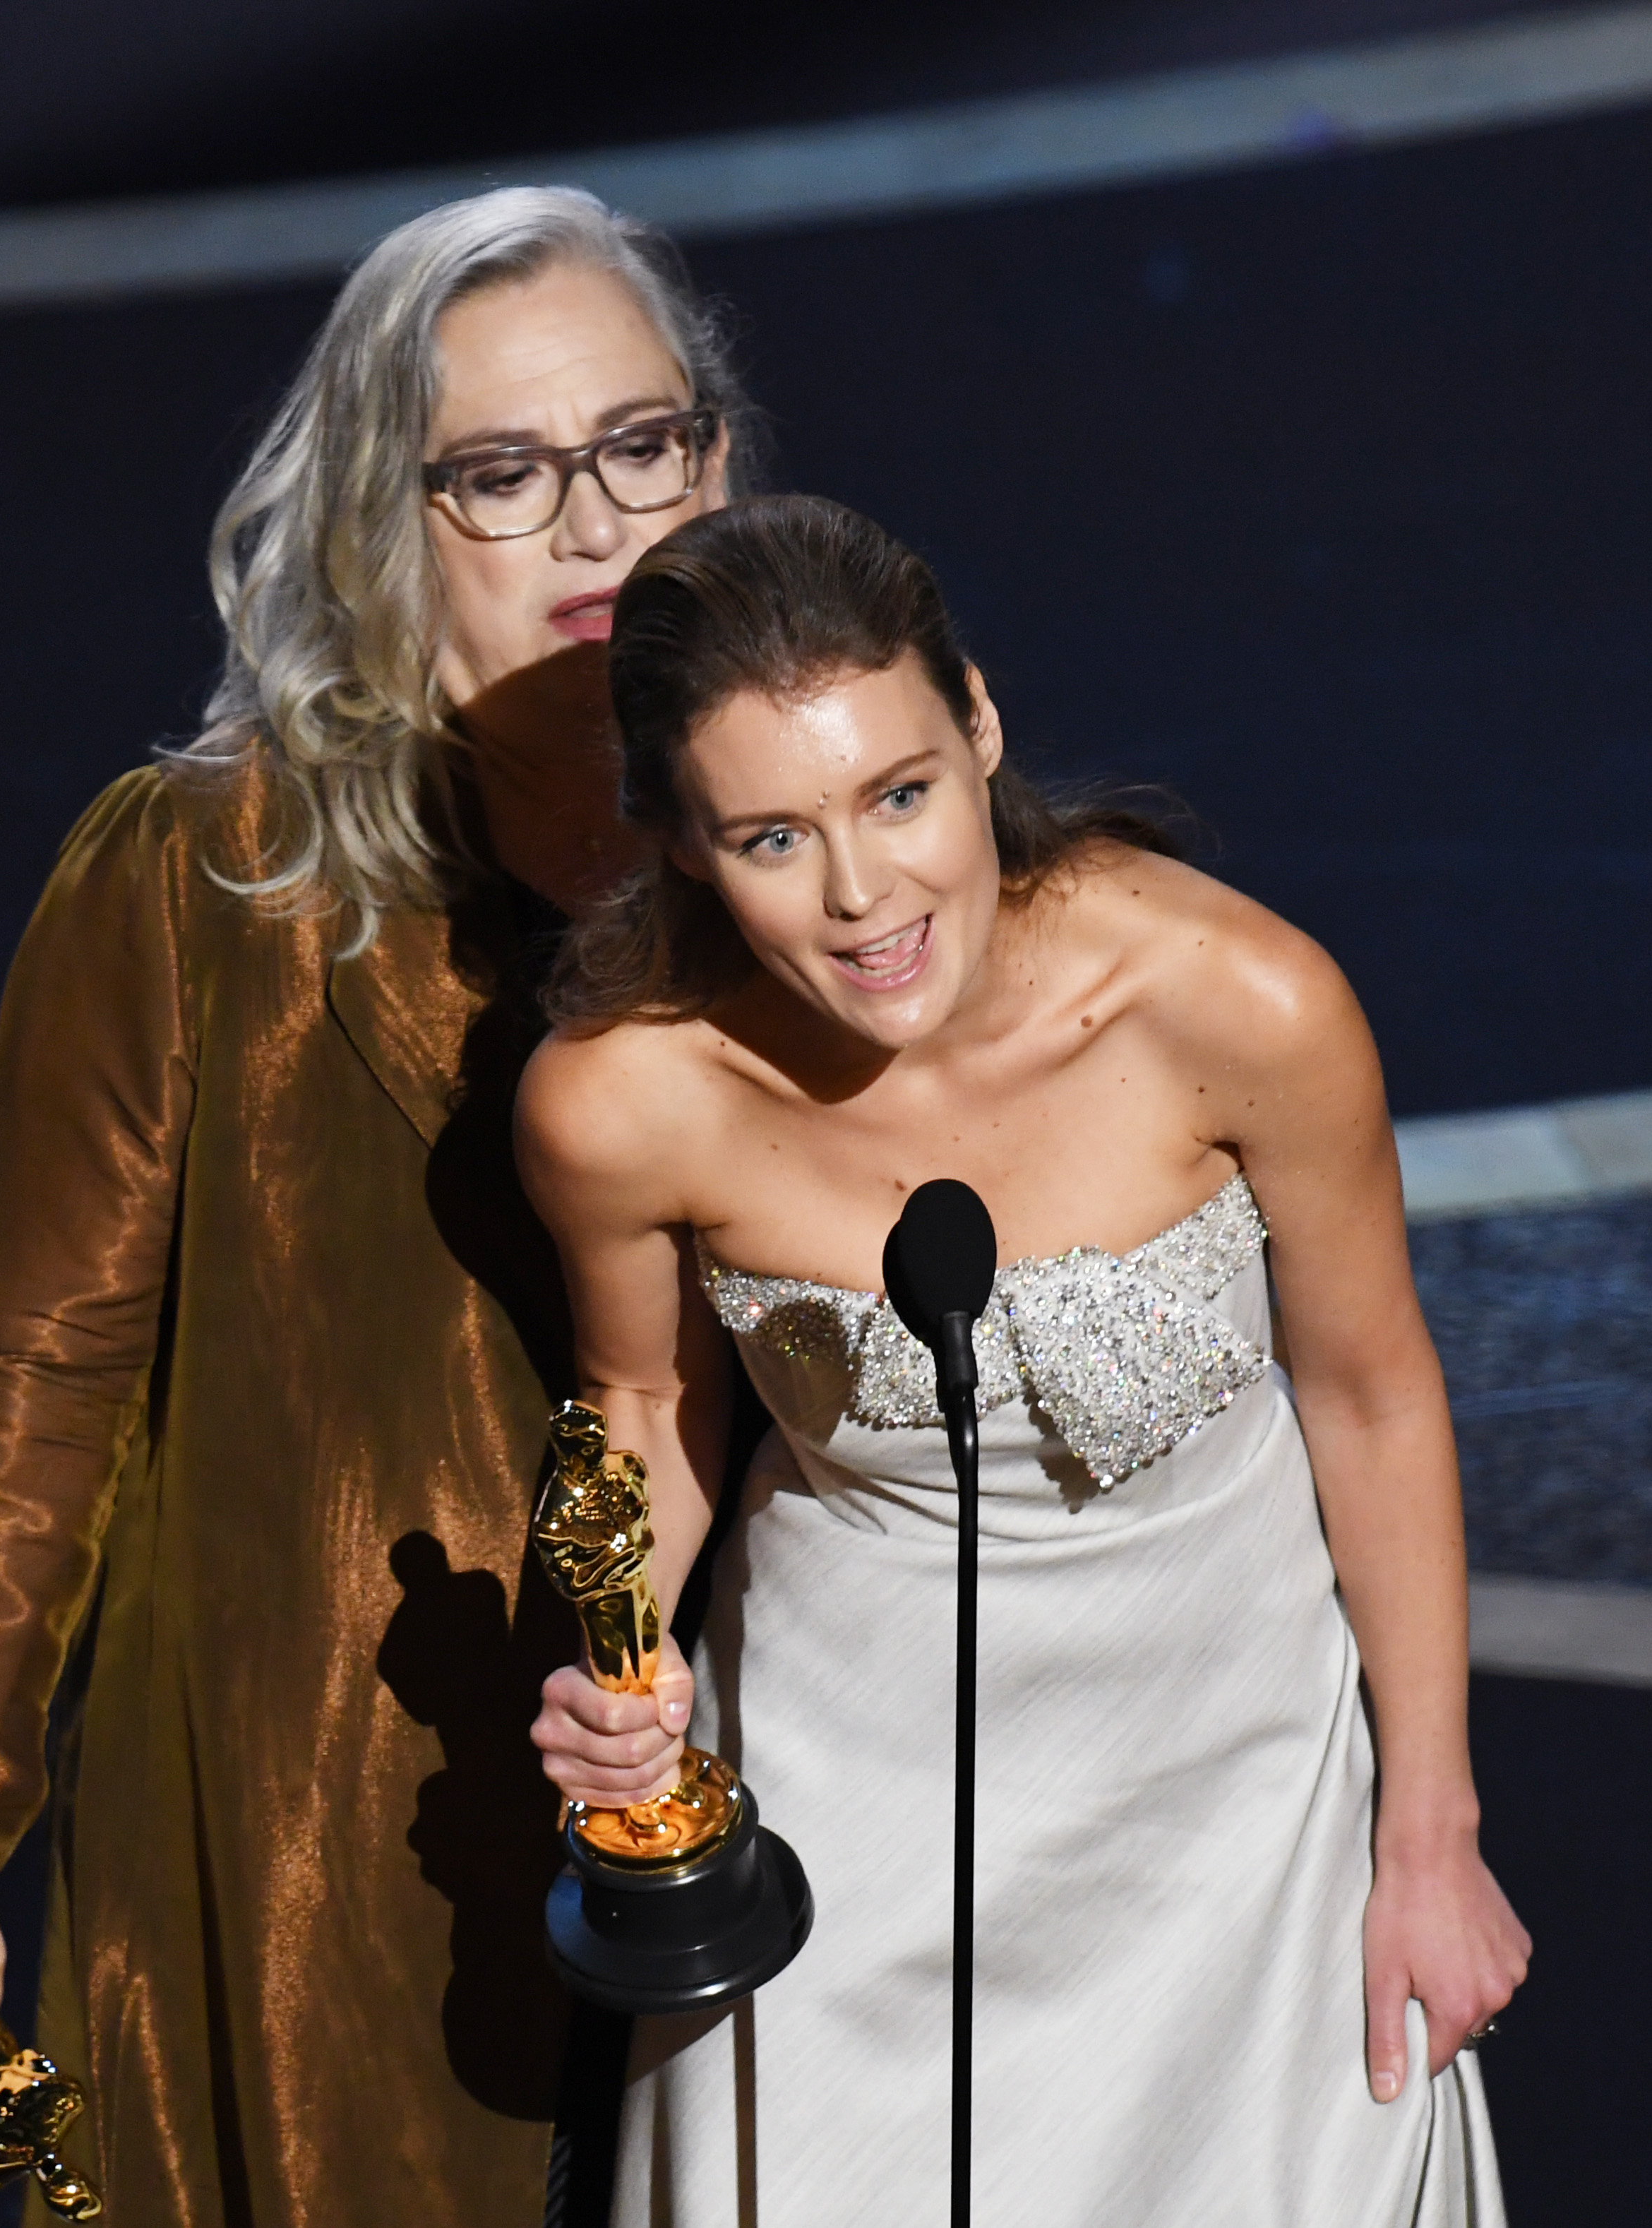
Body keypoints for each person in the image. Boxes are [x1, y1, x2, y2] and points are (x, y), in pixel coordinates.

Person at [0, 185, 750, 2227]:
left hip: (781, 1814)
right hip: (335, 1830)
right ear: (377, 532)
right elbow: (40, 1382)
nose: (591, 526)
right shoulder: (208, 874)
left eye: (637, 446)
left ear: (717, 466)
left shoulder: (836, 868)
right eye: (496, 474)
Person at [519, 496, 1530, 2225]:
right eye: (771, 836)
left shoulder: (1239, 1002)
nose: (862, 897)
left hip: (1237, 1807)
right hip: (854, 1821)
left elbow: (1373, 1395)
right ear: (680, 842)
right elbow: (646, 1414)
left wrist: (1431, 1832)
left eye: (899, 795)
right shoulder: (625, 1104)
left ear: (977, 725)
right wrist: (615, 1675)